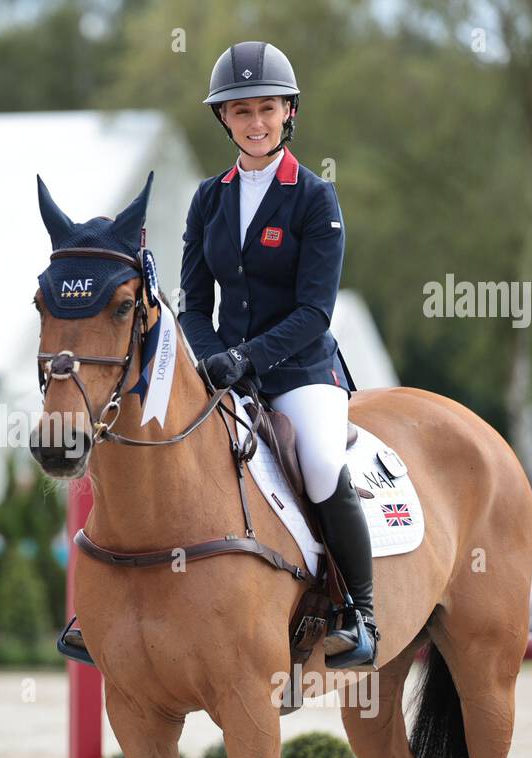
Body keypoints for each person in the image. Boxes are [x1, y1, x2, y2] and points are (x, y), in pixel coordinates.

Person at [179, 42, 378, 667]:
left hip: (299, 370)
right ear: (224, 120)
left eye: (267, 108)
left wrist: (244, 360)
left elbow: (315, 311)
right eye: (241, 111)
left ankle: (360, 611)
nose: (255, 122)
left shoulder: (315, 198)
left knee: (318, 463)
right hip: (223, 372)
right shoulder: (208, 198)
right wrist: (213, 359)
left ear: (288, 112)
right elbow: (190, 303)